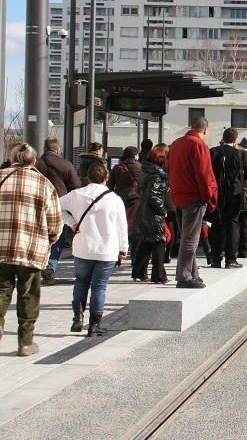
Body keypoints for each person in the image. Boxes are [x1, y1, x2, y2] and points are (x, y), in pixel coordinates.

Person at [0, 143, 63, 356]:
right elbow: (55, 223)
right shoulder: (43, 184)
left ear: (11, 159)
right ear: (33, 161)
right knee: (29, 294)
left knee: (1, 291)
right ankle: (25, 342)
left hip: (1, 246)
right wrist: (48, 242)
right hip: (31, 248)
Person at [60, 163, 127, 337]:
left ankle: (78, 317)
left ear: (87, 178)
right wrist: (123, 248)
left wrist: (71, 222)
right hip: (107, 249)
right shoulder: (114, 199)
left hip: (83, 246)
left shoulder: (75, 195)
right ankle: (94, 326)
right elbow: (122, 227)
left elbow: (54, 206)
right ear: (106, 178)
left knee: (81, 281)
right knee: (99, 287)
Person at [168, 116, 218, 288]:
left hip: (178, 196)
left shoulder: (176, 144)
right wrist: (208, 197)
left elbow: (170, 169)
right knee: (190, 239)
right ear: (205, 130)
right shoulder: (199, 145)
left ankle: (192, 273)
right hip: (193, 197)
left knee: (187, 237)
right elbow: (204, 175)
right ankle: (184, 276)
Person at [35, 137, 81, 286]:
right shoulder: (65, 164)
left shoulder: (36, 164)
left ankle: (37, 265)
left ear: (43, 149)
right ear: (58, 149)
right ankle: (50, 265)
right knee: (57, 237)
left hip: (37, 205)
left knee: (38, 236)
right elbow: (75, 186)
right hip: (58, 205)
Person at [209, 128, 247, 268]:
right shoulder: (240, 154)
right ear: (235, 140)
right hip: (234, 193)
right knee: (232, 225)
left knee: (216, 224)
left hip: (216, 193)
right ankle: (231, 259)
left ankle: (215, 258)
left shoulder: (214, 151)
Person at [130, 145, 171, 284]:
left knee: (147, 240)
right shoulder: (157, 175)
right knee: (159, 241)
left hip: (142, 209)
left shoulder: (146, 170)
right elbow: (153, 196)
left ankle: (139, 271)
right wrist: (163, 210)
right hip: (152, 212)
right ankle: (159, 275)